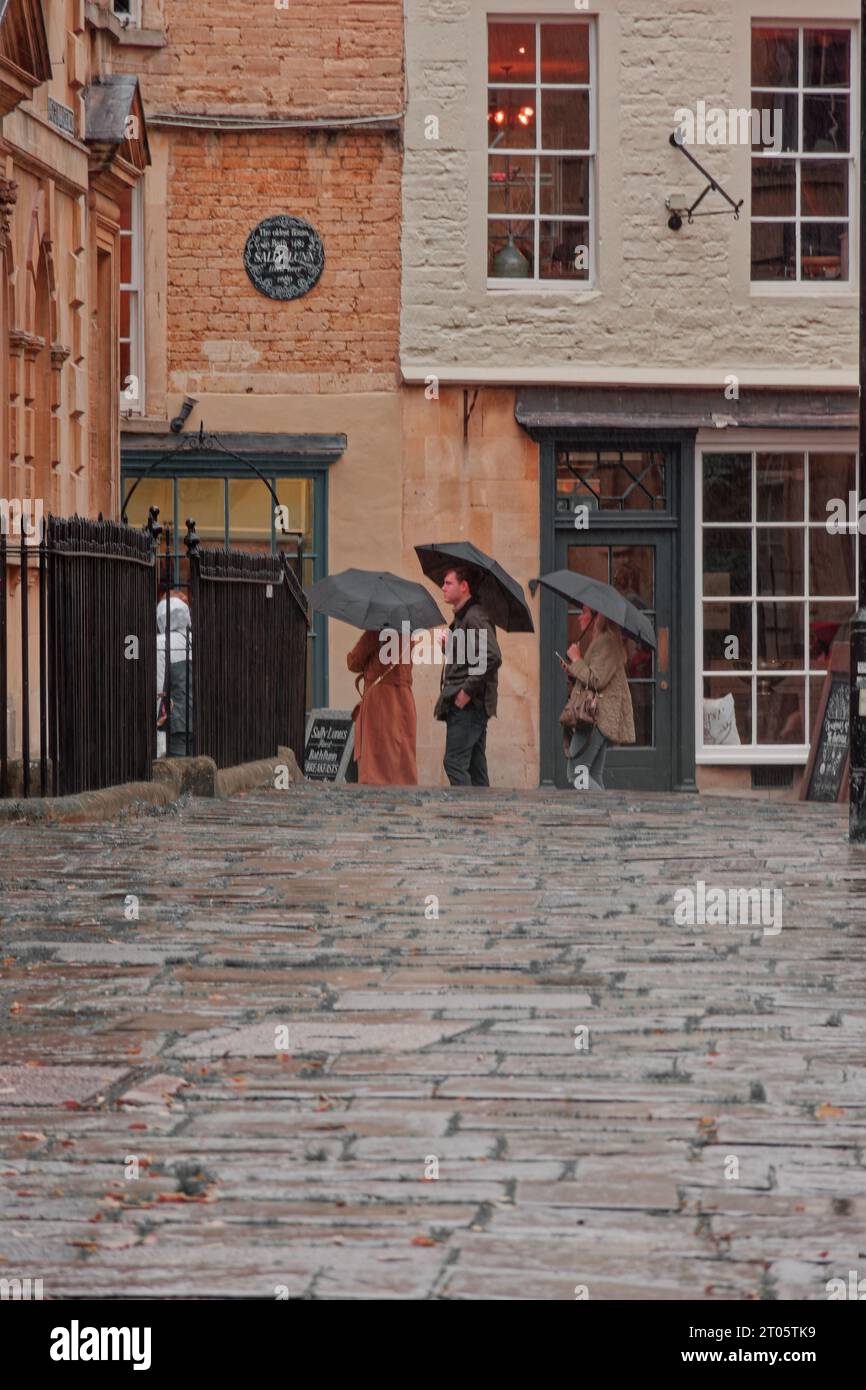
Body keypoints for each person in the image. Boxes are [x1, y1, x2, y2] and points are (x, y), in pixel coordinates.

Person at [434, 566, 502, 786]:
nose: (443, 587)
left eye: (448, 583)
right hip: (470, 705)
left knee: (453, 762)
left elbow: (491, 656)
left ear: (464, 586)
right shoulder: (465, 617)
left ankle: (465, 815)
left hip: (469, 706)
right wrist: (449, 646)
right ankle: (479, 816)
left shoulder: (474, 616)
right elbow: (470, 657)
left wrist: (466, 691)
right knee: (475, 767)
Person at [559, 607, 635, 790]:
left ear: (597, 617)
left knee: (577, 773)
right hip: (596, 717)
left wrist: (577, 660)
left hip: (595, 717)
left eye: (584, 612)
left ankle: (607, 813)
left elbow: (596, 680)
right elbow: (593, 676)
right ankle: (602, 816)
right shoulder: (603, 641)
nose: (579, 617)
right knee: (591, 774)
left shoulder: (606, 642)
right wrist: (572, 670)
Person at [347, 628, 417, 785]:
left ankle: (376, 797)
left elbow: (353, 662)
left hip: (379, 699)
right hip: (404, 699)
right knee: (402, 754)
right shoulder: (408, 634)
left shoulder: (375, 632)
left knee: (376, 755)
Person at [156, 593, 193, 758]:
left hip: (174, 721)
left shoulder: (162, 643)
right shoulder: (194, 640)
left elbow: (159, 682)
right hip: (195, 719)